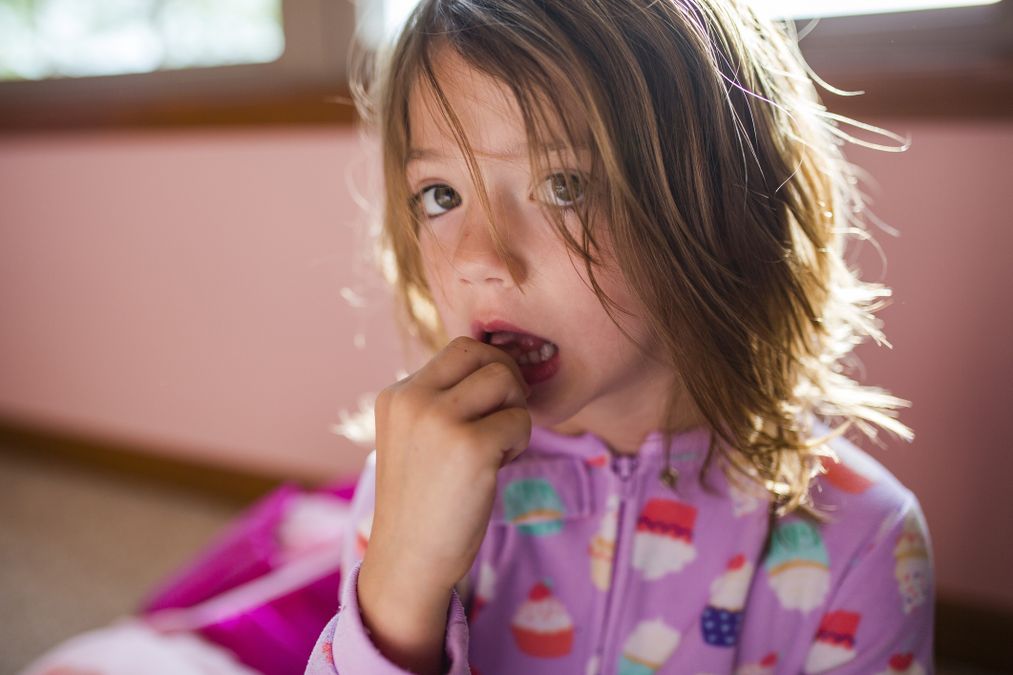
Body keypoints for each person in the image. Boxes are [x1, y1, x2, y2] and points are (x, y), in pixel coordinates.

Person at [304, 1, 934, 674]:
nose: (476, 258)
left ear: (718, 200)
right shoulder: (415, 483)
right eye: (440, 195)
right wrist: (400, 583)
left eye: (563, 185)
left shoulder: (866, 542)